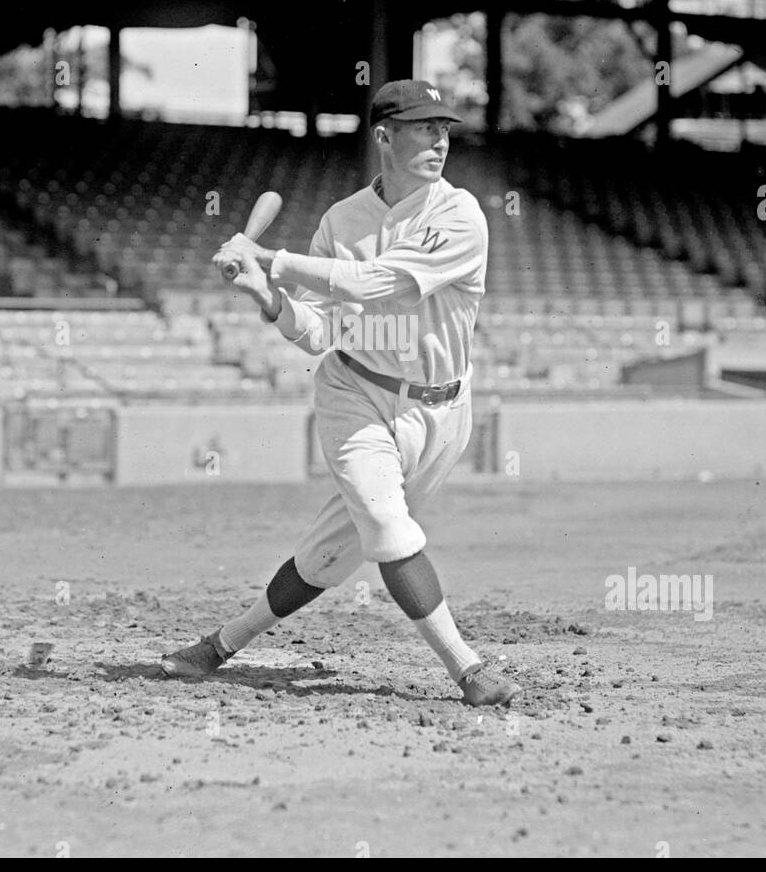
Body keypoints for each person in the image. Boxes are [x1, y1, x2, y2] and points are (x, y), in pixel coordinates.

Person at [159, 80, 520, 706]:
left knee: (328, 556)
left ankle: (221, 644)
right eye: (422, 127)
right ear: (384, 136)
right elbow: (322, 330)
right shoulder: (343, 220)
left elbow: (381, 286)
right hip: (355, 393)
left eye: (444, 128)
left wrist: (272, 260)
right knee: (385, 523)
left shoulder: (459, 213)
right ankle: (470, 670)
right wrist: (265, 296)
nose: (440, 139)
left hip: (444, 408)